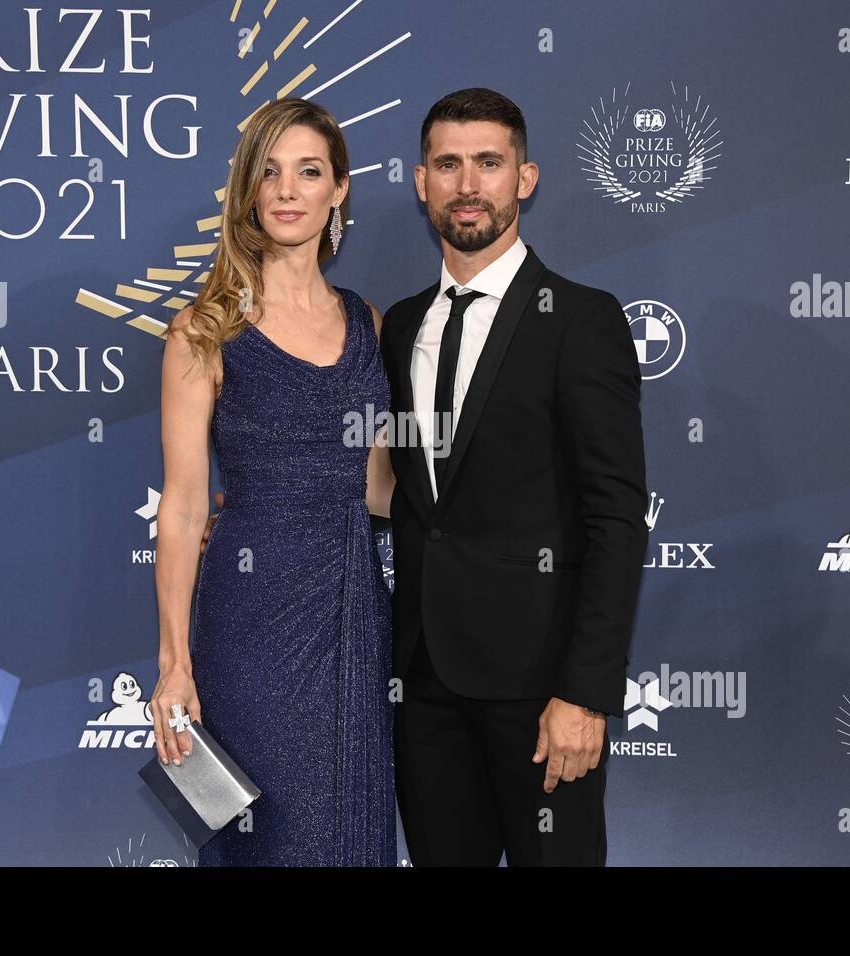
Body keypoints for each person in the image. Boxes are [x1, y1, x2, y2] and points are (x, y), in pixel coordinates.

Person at [379, 88, 650, 866]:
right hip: (424, 685)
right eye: (449, 164)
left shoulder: (580, 320)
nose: (468, 184)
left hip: (543, 695)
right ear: (422, 181)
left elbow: (616, 519)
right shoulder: (400, 325)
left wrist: (587, 693)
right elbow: (404, 487)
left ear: (524, 178)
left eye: (488, 163)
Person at [150, 98, 397, 866]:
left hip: (356, 608)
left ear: (340, 189)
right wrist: (173, 664)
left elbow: (382, 489)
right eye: (270, 173)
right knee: (274, 837)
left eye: (309, 171)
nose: (288, 190)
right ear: (250, 194)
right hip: (251, 620)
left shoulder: (372, 324)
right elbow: (187, 505)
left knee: (349, 830)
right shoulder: (205, 329)